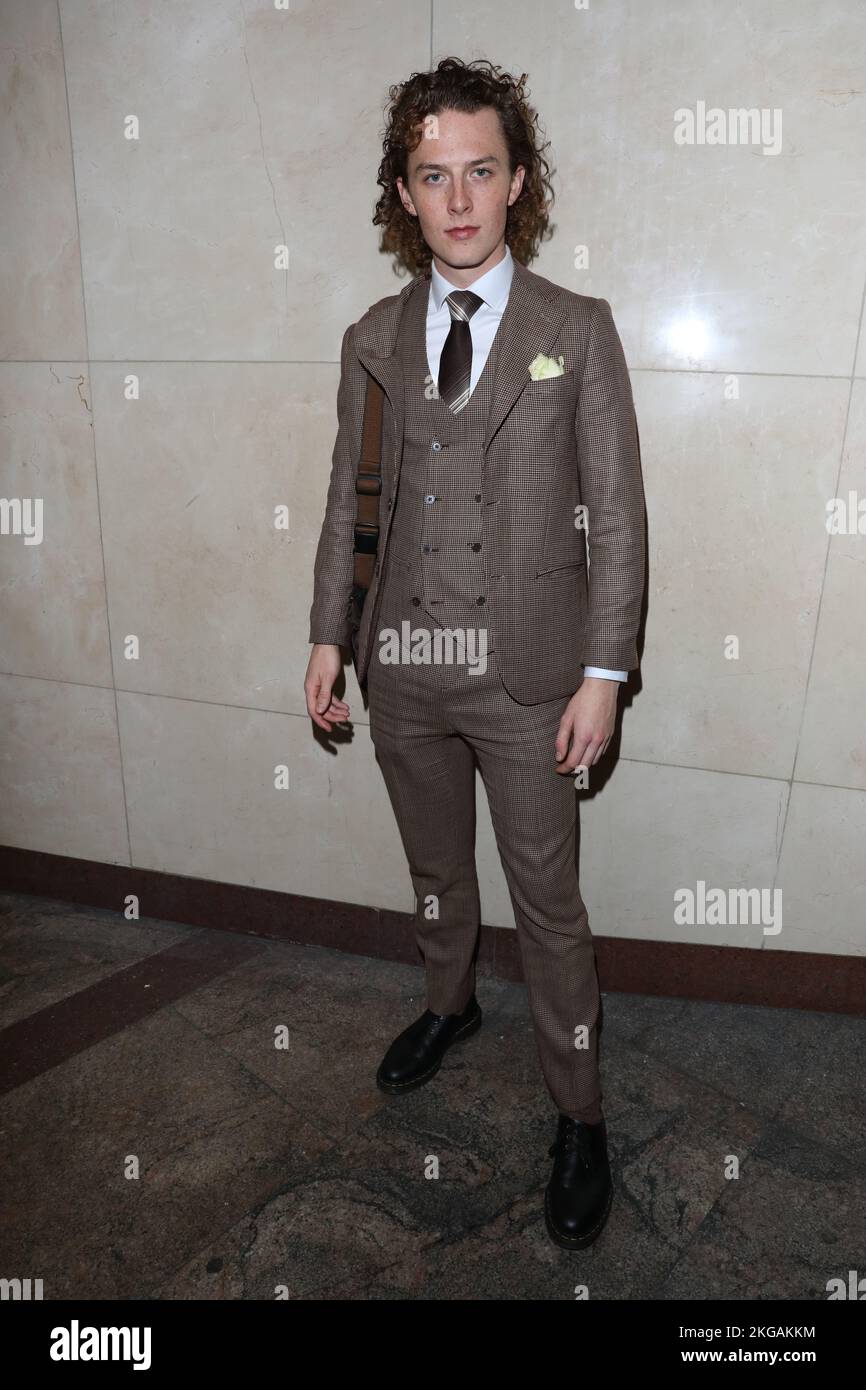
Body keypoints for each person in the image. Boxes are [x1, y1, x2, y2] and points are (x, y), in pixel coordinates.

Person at [305, 56, 646, 1250]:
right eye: (430, 175)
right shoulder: (373, 337)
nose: (457, 199)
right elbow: (352, 502)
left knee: (546, 901)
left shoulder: (574, 331)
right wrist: (326, 639)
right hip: (400, 662)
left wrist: (603, 675)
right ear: (403, 193)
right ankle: (446, 1005)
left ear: (517, 183)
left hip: (530, 678)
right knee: (436, 872)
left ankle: (581, 1112)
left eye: (479, 171)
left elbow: (617, 514)